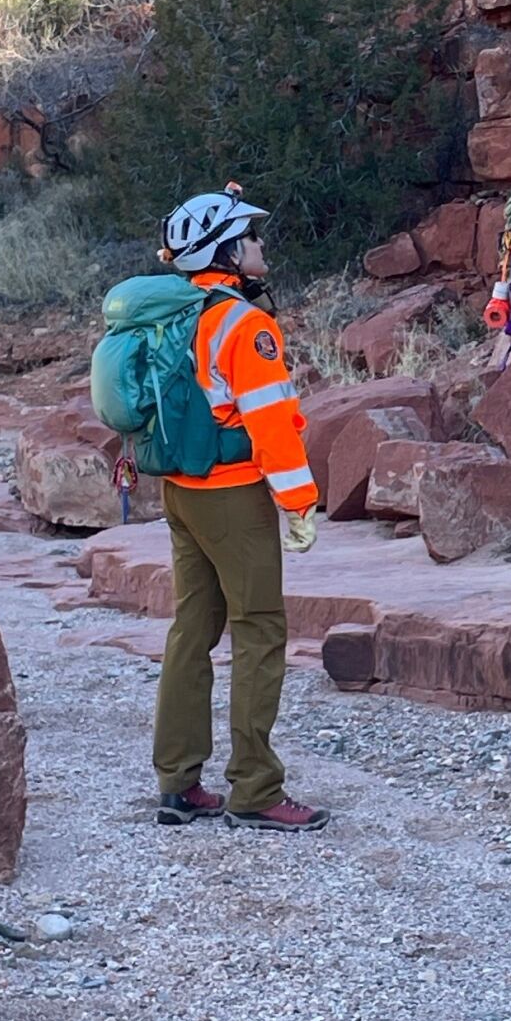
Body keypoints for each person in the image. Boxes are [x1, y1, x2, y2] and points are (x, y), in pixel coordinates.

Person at [153, 185, 328, 832]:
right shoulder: (244, 324)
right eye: (251, 238)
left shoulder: (178, 312)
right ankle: (254, 788)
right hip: (230, 493)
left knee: (191, 628)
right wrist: (299, 501)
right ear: (227, 251)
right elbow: (272, 423)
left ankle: (178, 781)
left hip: (180, 490)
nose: (261, 246)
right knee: (259, 629)